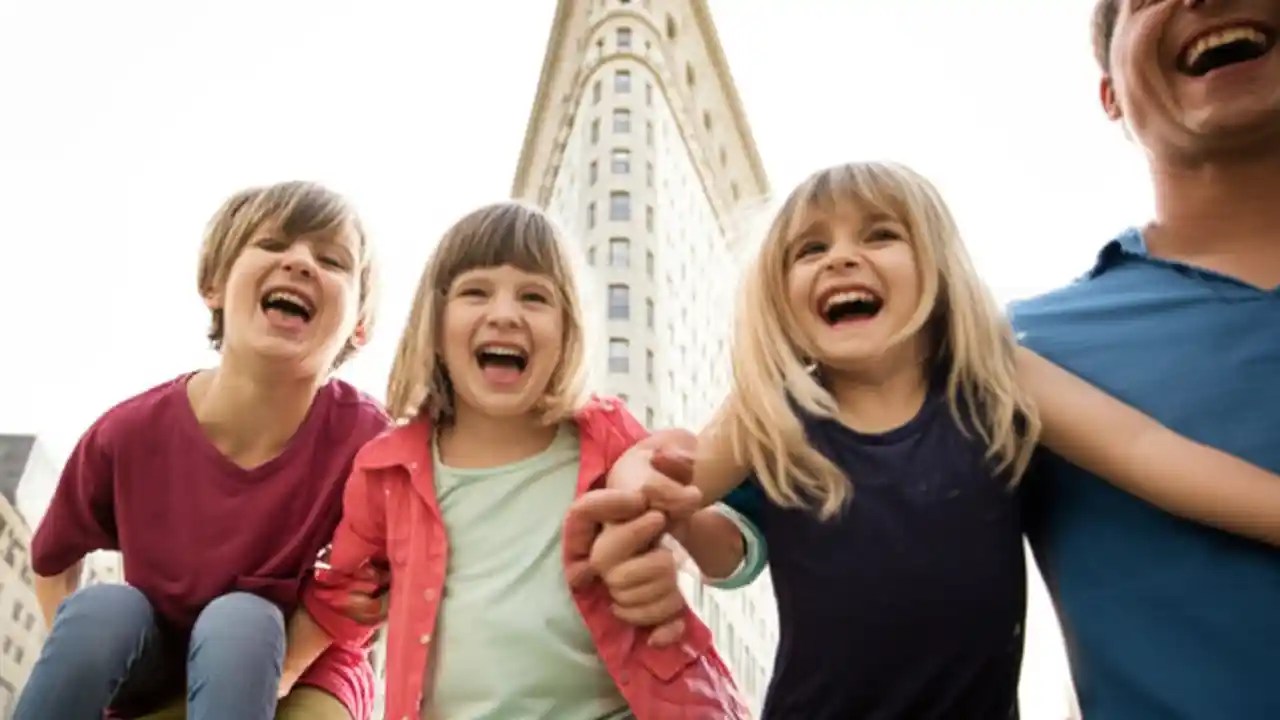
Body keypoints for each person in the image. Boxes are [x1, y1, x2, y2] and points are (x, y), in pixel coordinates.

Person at [595, 160, 1280, 719]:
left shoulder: (998, 382)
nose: (841, 261)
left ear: (937, 268)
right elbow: (654, 473)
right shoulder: (771, 411)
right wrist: (638, 501)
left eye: (879, 236)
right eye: (811, 249)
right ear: (779, 296)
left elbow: (1147, 451)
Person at [284, 201, 750, 720]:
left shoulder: (607, 436)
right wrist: (271, 681)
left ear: (567, 331)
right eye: (476, 292)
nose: (504, 314)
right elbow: (341, 604)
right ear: (435, 328)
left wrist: (680, 526)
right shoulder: (385, 470)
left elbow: (732, 556)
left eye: (534, 297)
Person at [16, 181, 388, 720]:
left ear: (359, 325)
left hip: (304, 656)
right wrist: (90, 676)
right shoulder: (129, 434)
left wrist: (278, 677)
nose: (301, 263)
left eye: (332, 259)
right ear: (214, 284)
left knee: (244, 621)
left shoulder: (368, 444)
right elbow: (52, 559)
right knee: (103, 609)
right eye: (272, 244)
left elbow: (364, 590)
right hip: (159, 656)